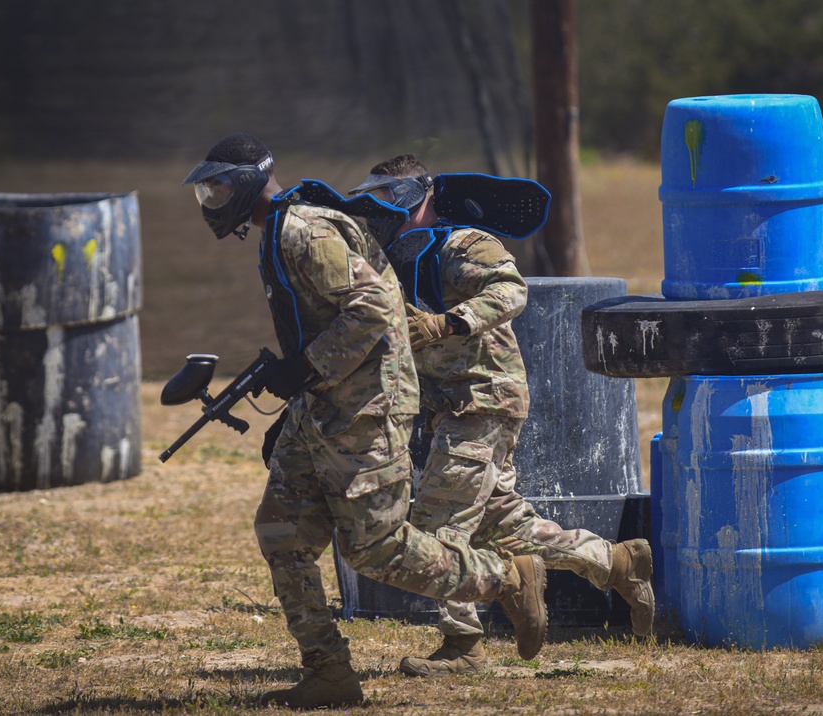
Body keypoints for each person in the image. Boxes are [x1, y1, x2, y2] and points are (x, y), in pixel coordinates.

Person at [182, 134, 549, 709]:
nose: (212, 200)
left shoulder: (304, 230)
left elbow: (374, 309)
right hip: (324, 404)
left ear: (253, 179)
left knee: (376, 549)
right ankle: (329, 672)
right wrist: (299, 386)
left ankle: (507, 577)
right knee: (281, 534)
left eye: (220, 186)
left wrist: (307, 366)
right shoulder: (280, 232)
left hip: (366, 406)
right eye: (208, 189)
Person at [349, 154, 654, 678]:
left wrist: (450, 323)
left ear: (427, 197)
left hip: (484, 400)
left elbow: (512, 291)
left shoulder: (462, 243)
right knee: (505, 524)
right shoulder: (393, 258)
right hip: (450, 408)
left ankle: (462, 644)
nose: (387, 212)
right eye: (377, 201)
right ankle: (619, 563)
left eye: (398, 199)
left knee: (434, 527)